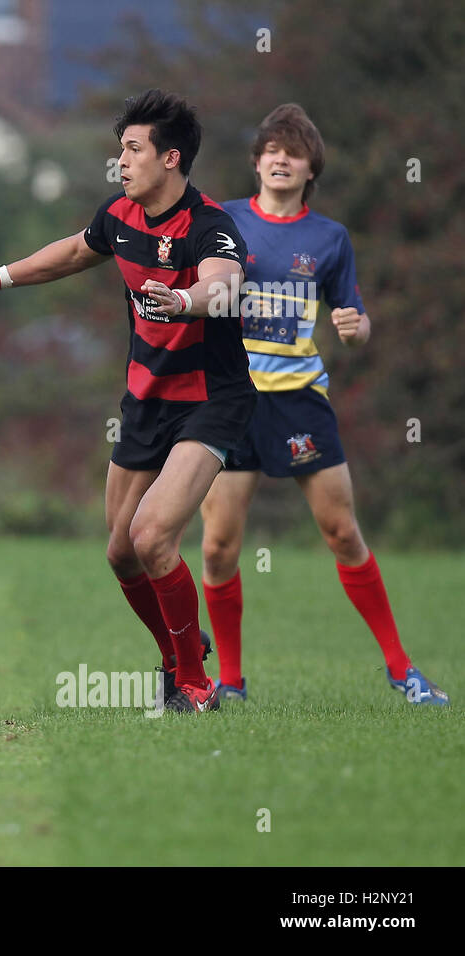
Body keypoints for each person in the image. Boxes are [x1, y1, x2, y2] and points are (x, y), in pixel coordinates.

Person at [0, 90, 251, 713]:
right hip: (144, 403)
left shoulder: (210, 225)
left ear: (171, 158)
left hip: (210, 401)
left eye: (133, 151)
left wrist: (185, 298)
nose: (122, 163)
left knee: (154, 537)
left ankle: (194, 686)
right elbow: (76, 251)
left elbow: (227, 285)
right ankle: (177, 656)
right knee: (120, 550)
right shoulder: (121, 215)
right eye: (120, 151)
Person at [199, 104, 448, 705]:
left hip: (299, 400)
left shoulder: (330, 238)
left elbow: (356, 324)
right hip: (231, 400)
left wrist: (354, 327)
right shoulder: (223, 219)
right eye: (271, 150)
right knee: (216, 547)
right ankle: (229, 682)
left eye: (294, 151)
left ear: (312, 167)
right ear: (257, 161)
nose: (280, 159)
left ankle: (401, 670)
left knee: (341, 531)